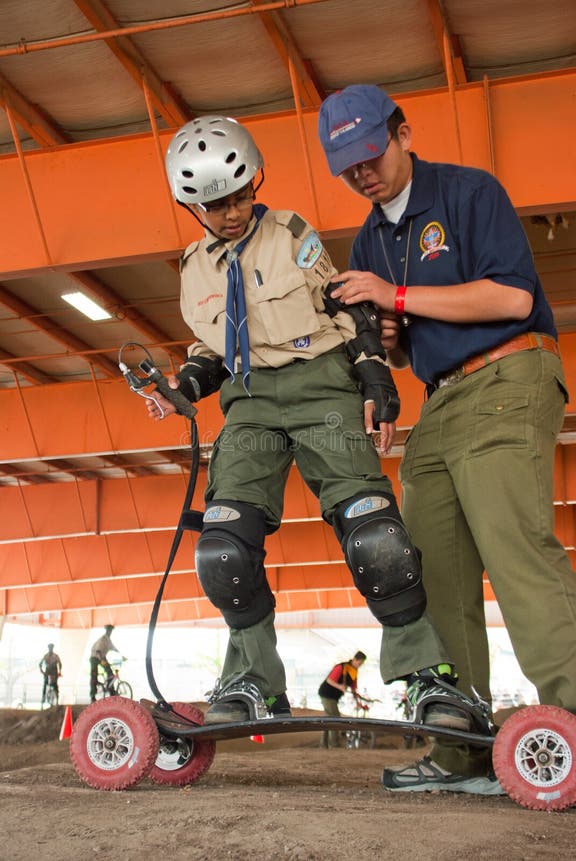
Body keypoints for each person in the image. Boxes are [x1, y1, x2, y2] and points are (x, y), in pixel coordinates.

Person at [146, 113, 486, 734]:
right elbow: (212, 351)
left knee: (374, 536)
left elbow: (348, 309)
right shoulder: (193, 268)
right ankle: (253, 680)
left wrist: (376, 379)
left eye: (240, 195)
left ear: (257, 181)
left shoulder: (290, 234)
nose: (230, 212)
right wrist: (182, 388)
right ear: (189, 204)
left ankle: (425, 680)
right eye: (215, 204)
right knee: (222, 548)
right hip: (248, 402)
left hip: (319, 384)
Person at [318, 83, 576, 794]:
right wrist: (395, 340)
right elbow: (402, 349)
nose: (363, 174)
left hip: (507, 373)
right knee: (429, 573)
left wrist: (395, 297)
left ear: (402, 133)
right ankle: (463, 749)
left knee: (515, 549)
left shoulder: (468, 193)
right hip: (439, 401)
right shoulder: (371, 238)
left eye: (371, 154)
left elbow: (512, 297)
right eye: (347, 166)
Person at [318, 650, 366, 748]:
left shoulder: (354, 672)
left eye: (361, 664)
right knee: (335, 718)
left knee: (329, 719)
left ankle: (323, 745)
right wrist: (340, 686)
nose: (360, 665)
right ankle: (334, 745)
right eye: (359, 663)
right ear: (354, 659)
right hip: (327, 695)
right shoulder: (341, 667)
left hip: (334, 697)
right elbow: (329, 680)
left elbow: (353, 687)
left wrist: (357, 698)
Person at [90, 624, 121, 703]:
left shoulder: (108, 640)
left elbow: (114, 648)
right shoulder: (102, 639)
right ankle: (92, 696)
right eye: (109, 630)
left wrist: (121, 656)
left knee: (110, 672)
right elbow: (98, 651)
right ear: (106, 630)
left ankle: (111, 692)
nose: (110, 632)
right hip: (95, 657)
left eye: (111, 631)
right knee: (94, 675)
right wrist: (101, 660)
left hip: (102, 657)